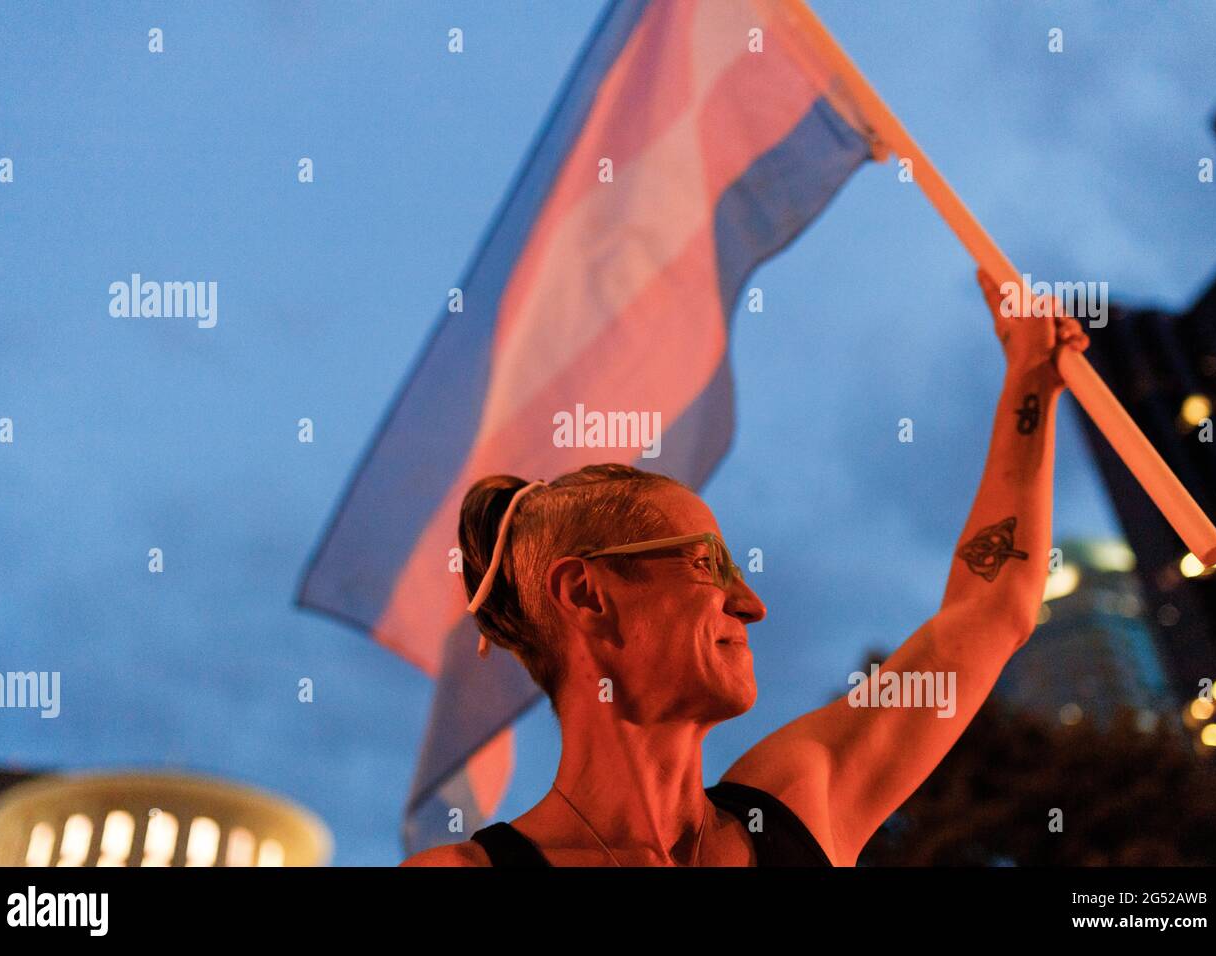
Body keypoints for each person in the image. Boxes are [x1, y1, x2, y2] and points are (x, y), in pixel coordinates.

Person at [401, 269, 1090, 867]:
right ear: (587, 594)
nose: (752, 603)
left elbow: (991, 611)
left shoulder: (802, 801)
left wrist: (1029, 378)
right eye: (710, 565)